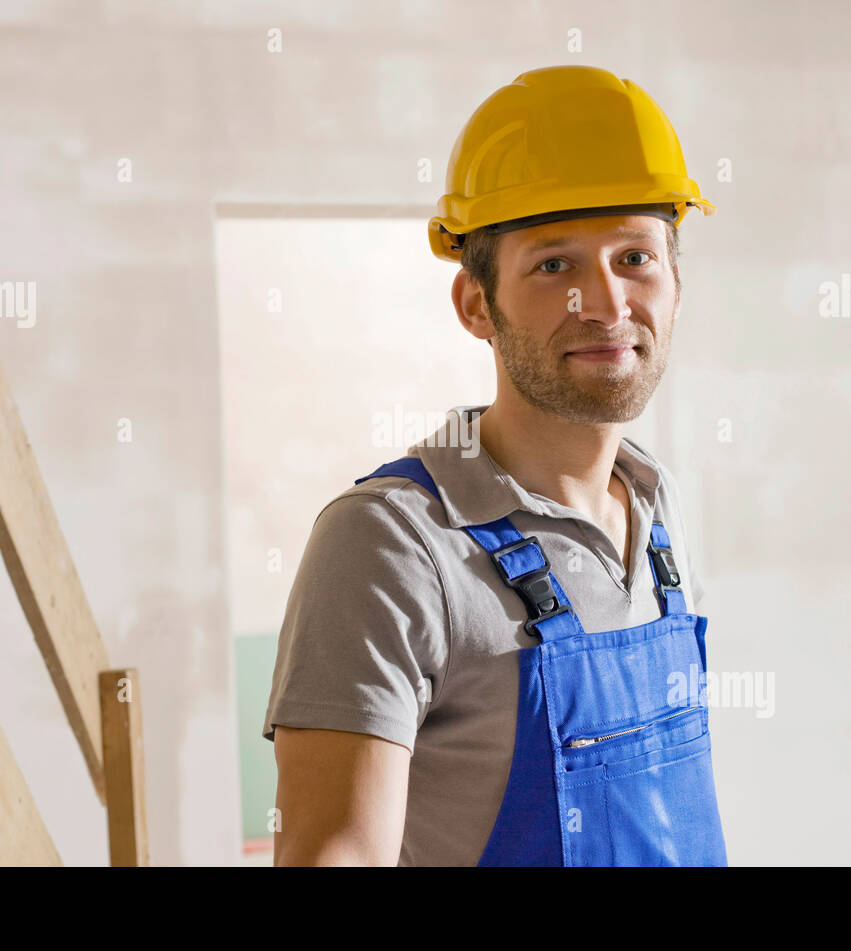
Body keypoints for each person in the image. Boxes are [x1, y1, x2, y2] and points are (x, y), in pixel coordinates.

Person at [263, 64, 728, 866]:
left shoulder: (657, 506)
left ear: (676, 281)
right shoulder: (391, 544)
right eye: (555, 266)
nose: (607, 305)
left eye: (634, 258)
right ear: (477, 304)